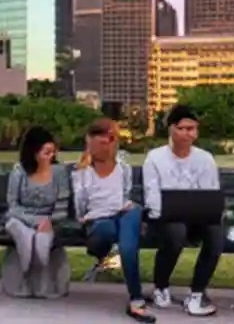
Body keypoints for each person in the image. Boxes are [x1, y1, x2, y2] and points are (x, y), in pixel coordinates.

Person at [142, 105, 223, 316]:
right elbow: (152, 196)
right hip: (164, 218)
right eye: (182, 128)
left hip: (198, 218)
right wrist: (164, 212)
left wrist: (206, 212)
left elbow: (209, 194)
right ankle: (161, 287)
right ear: (171, 129)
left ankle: (197, 294)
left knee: (215, 234)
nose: (187, 133)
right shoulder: (155, 157)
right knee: (176, 232)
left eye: (192, 129)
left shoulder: (205, 158)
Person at [73, 118, 152, 323]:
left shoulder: (123, 168)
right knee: (109, 229)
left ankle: (136, 299)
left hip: (125, 213)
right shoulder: (82, 172)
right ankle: (116, 259)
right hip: (100, 221)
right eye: (102, 139)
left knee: (129, 231)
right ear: (90, 141)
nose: (107, 144)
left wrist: (122, 208)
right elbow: (81, 208)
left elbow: (124, 195)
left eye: (111, 139)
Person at [2, 126, 68, 299]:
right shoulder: (19, 172)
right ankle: (24, 279)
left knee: (40, 241)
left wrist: (50, 220)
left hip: (48, 220)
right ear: (34, 152)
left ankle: (40, 281)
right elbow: (13, 205)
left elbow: (62, 205)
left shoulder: (59, 172)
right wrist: (31, 222)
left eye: (52, 152)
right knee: (26, 236)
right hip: (20, 219)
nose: (51, 157)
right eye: (46, 153)